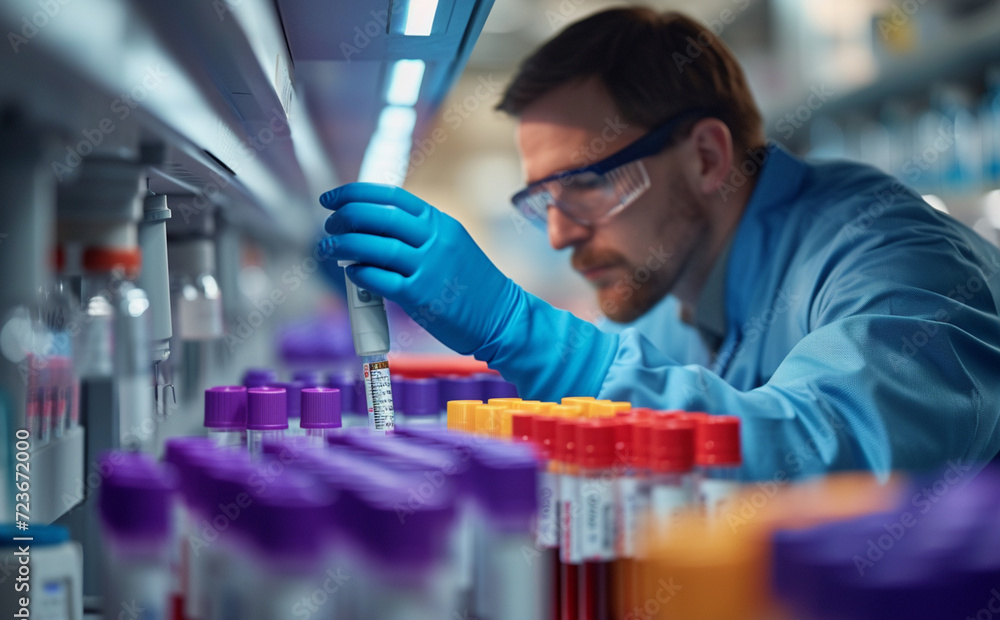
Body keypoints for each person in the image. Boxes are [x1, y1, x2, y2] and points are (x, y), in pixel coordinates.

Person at [319, 7, 1000, 480]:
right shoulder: (678, 291)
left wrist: (515, 328)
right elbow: (650, 401)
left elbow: (823, 454)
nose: (558, 233)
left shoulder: (899, 259)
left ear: (705, 157)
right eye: (542, 202)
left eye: (582, 185)